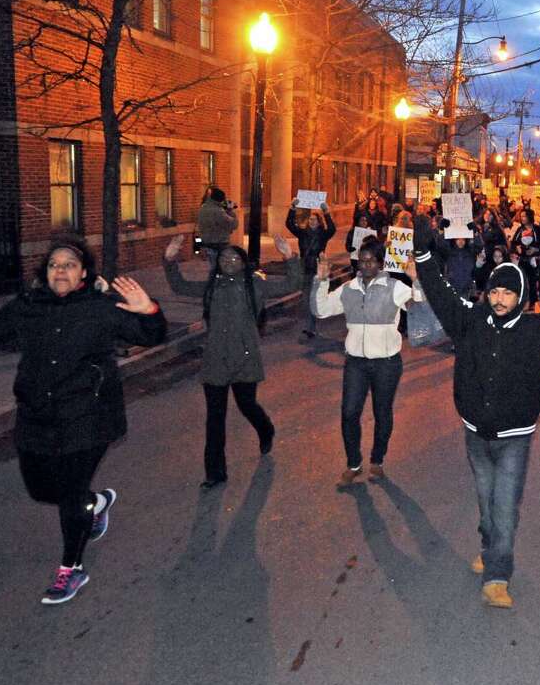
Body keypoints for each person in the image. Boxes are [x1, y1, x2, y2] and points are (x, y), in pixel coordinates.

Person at [0, 237, 166, 604]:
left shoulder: (102, 307)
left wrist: (148, 311)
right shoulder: (28, 306)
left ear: (83, 272)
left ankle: (72, 568)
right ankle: (94, 503)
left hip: (90, 415)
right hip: (37, 415)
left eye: (69, 264)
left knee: (69, 493)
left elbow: (151, 335)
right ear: (45, 273)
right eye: (54, 264)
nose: (61, 270)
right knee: (40, 489)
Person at [411, 214, 540, 609]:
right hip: (475, 434)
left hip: (515, 437)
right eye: (494, 292)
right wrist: (422, 252)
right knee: (487, 504)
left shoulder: (538, 331)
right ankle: (490, 548)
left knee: (504, 505)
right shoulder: (468, 322)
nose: (499, 299)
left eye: (507, 294)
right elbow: (437, 290)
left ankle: (498, 575)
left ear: (520, 298)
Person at [163, 234, 300, 487]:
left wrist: (289, 256)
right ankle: (215, 473)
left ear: (244, 262)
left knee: (247, 404)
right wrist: (170, 259)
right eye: (225, 258)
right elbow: (180, 286)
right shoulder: (212, 286)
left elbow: (293, 283)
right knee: (215, 418)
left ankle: (265, 428)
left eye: (235, 257)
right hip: (215, 360)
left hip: (244, 358)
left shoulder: (255, 285)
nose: (229, 261)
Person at [312, 236, 418, 485]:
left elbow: (418, 306)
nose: (366, 266)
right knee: (349, 412)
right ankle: (353, 463)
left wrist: (416, 280)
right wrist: (320, 280)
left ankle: (377, 461)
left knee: (382, 413)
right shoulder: (349, 288)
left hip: (386, 363)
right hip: (356, 363)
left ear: (381, 263)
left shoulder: (394, 287)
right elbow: (321, 310)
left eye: (371, 261)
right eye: (362, 261)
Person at [286, 198, 337, 339]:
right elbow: (289, 224)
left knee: (314, 297)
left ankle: (312, 325)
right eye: (310, 220)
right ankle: (310, 326)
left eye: (314, 219)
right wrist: (292, 208)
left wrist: (326, 212)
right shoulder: (302, 233)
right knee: (306, 297)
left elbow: (332, 229)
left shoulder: (323, 234)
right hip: (306, 268)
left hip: (318, 268)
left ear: (319, 221)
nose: (311, 222)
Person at [196, 188, 239, 266]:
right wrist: (230, 211)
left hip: (207, 244)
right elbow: (233, 225)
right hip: (219, 244)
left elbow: (198, 229)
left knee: (213, 267)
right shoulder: (218, 211)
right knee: (221, 268)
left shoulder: (203, 208)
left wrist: (198, 248)